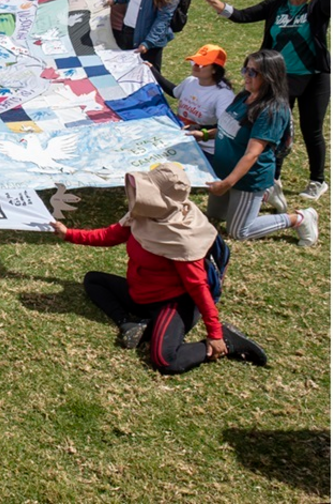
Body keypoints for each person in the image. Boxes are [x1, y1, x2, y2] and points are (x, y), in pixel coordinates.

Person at [49, 163, 269, 374]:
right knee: (93, 280)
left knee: (164, 360)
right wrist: (69, 234)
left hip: (172, 303)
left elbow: (199, 289)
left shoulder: (182, 237)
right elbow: (110, 235)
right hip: (141, 293)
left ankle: (230, 342)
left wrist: (215, 333)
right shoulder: (143, 214)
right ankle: (130, 324)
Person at [203, 0, 331, 201]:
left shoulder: (316, 7)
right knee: (276, 130)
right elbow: (242, 15)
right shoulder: (277, 5)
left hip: (313, 78)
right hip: (280, 79)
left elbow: (332, 5)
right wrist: (217, 3)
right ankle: (274, 179)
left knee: (311, 129)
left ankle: (317, 180)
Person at [207, 50, 318, 246]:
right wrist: (206, 134)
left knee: (239, 231)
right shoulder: (244, 96)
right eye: (246, 70)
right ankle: (268, 193)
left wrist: (227, 184)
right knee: (215, 215)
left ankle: (300, 218)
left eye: (253, 73)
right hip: (225, 171)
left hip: (247, 178)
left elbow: (252, 154)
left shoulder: (271, 111)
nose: (246, 76)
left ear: (269, 77)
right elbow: (230, 126)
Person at [149, 44, 236, 159]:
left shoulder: (223, 95)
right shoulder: (190, 81)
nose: (195, 66)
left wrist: (203, 134)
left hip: (206, 148)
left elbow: (227, 129)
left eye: (201, 64)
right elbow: (174, 92)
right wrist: (151, 70)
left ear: (215, 69)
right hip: (183, 138)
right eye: (194, 61)